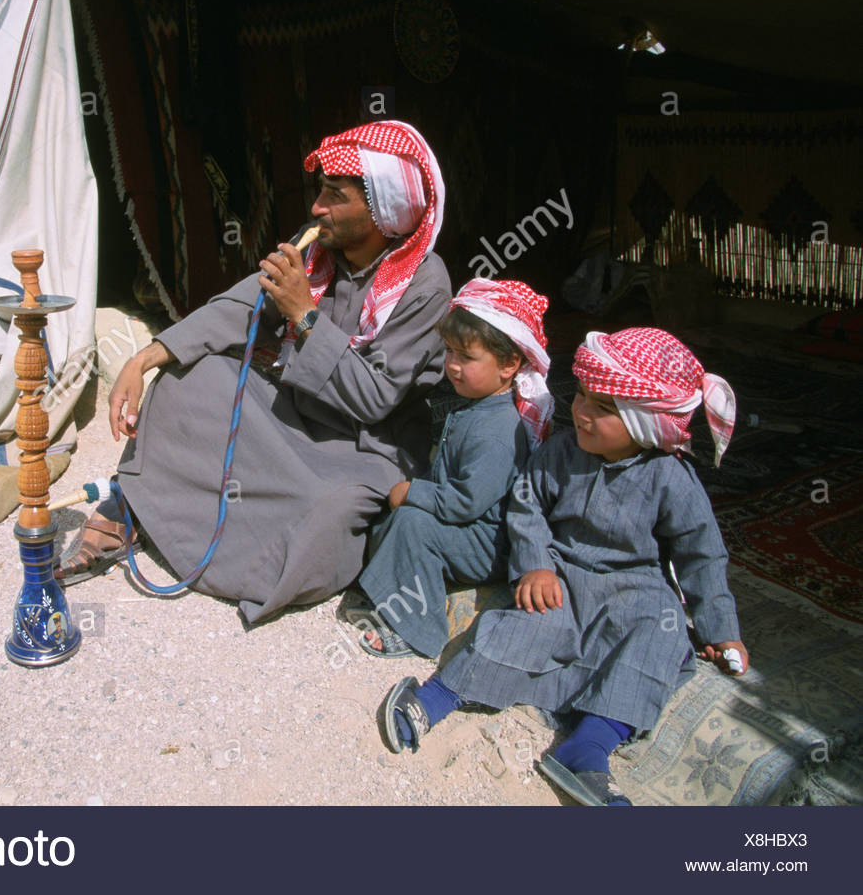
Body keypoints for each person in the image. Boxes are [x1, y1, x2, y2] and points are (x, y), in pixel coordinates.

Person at [59, 120, 453, 623]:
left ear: (382, 212)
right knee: (187, 381)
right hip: (293, 408)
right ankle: (140, 503)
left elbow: (375, 398)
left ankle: (210, 536)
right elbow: (241, 304)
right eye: (320, 193)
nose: (316, 208)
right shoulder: (316, 248)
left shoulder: (426, 285)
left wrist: (304, 314)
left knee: (324, 513)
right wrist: (145, 358)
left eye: (336, 196)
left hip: (364, 445)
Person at [377, 328, 749, 807]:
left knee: (663, 635)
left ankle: (588, 747)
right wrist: (533, 567)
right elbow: (526, 508)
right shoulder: (560, 451)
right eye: (584, 398)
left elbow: (702, 554)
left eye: (604, 408)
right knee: (522, 623)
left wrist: (721, 628)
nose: (583, 412)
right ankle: (434, 698)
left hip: (635, 587)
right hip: (562, 571)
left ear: (648, 424)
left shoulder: (670, 478)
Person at [352, 278, 552, 658]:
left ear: (509, 365)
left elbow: (464, 503)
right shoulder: (476, 407)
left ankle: (416, 630)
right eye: (450, 352)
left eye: (467, 357)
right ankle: (390, 592)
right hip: (465, 526)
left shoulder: (498, 434)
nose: (453, 366)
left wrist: (414, 492)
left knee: (413, 524)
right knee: (393, 520)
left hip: (486, 542)